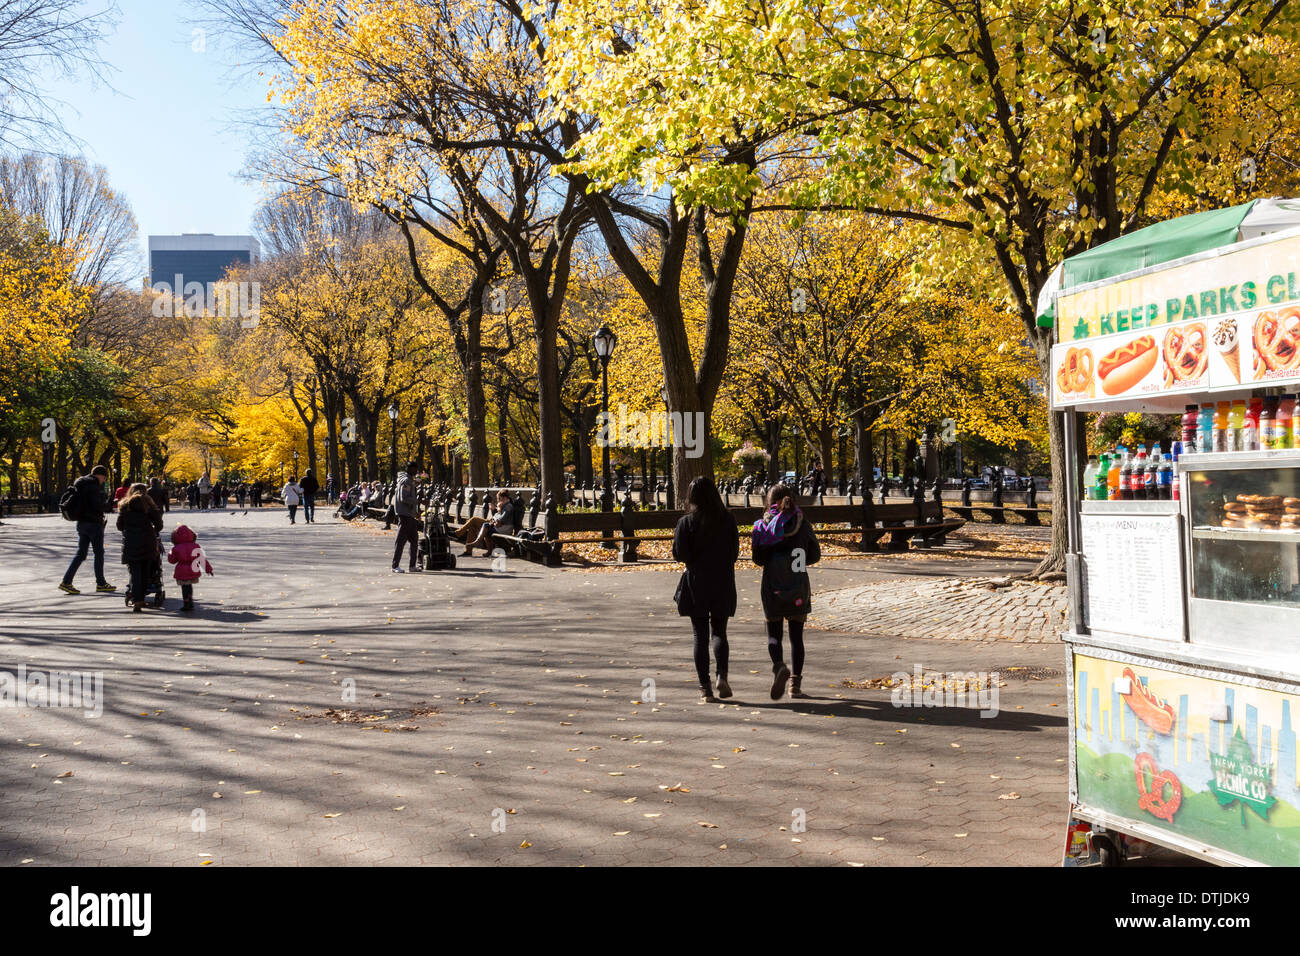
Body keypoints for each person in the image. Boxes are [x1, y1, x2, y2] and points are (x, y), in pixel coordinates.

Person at [672, 477, 739, 702]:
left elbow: (680, 554)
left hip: (696, 582)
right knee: (719, 631)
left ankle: (705, 687)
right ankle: (722, 674)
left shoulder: (686, 523)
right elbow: (734, 553)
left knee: (699, 635)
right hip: (722, 581)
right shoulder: (727, 521)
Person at [751, 482, 820, 700]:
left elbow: (758, 559)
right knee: (797, 637)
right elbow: (815, 555)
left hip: (773, 586)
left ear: (768, 502)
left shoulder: (763, 525)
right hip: (798, 585)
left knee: (774, 634)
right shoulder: (802, 522)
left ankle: (779, 666)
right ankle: (795, 685)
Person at [59, 464, 117, 594]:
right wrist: (110, 505)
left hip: (81, 523)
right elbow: (97, 506)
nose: (104, 481)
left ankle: (66, 582)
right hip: (94, 523)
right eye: (104, 478)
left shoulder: (81, 483)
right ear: (100, 475)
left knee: (81, 554)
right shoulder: (93, 486)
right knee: (99, 553)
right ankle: (101, 583)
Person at [117, 483, 164, 612]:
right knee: (145, 571)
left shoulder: (125, 505)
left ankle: (137, 599)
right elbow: (159, 524)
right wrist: (153, 529)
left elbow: (120, 526)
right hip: (147, 541)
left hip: (131, 542)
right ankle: (141, 598)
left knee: (135, 571)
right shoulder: (148, 503)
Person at [167, 524, 213, 612]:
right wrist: (208, 569)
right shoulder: (195, 546)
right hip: (193, 568)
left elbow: (172, 560)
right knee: (189, 585)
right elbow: (201, 559)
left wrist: (171, 553)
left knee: (184, 586)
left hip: (182, 569)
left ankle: (186, 602)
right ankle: (190, 600)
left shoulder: (176, 548)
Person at [458, 490, 516, 556]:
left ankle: (458, 534)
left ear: (504, 498)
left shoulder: (507, 506)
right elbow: (496, 517)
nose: (497, 500)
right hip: (496, 524)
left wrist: (497, 510)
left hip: (502, 527)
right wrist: (494, 510)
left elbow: (501, 519)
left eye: (499, 498)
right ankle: (469, 550)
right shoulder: (503, 505)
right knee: (473, 527)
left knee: (475, 520)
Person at [390, 462, 422, 573]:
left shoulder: (407, 480)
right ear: (410, 469)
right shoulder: (407, 481)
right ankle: (395, 566)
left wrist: (415, 513)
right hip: (405, 515)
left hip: (410, 515)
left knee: (414, 540)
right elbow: (404, 498)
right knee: (401, 541)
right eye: (415, 469)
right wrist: (419, 501)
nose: (416, 471)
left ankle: (412, 566)